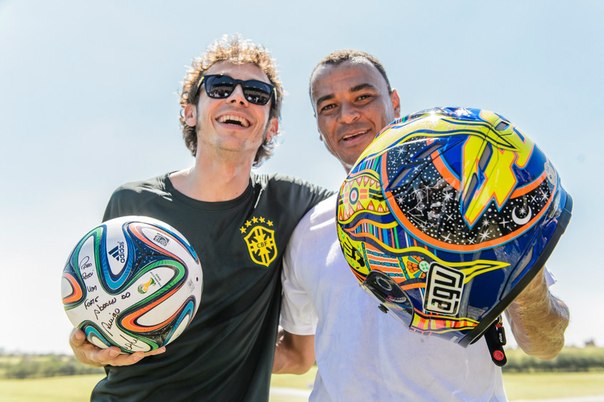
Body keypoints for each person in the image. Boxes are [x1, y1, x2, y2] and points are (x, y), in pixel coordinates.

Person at [272, 50, 570, 401]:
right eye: (329, 106)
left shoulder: (462, 199)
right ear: (319, 127)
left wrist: (525, 275)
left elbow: (545, 344)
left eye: (362, 97)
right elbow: (297, 355)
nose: (347, 115)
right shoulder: (308, 231)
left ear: (394, 103)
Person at [69, 35, 331, 402]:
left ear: (272, 126)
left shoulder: (290, 203)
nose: (238, 98)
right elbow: (100, 328)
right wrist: (88, 349)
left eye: (257, 94)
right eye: (220, 87)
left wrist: (240, 358)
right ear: (189, 112)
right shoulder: (132, 205)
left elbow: (369, 201)